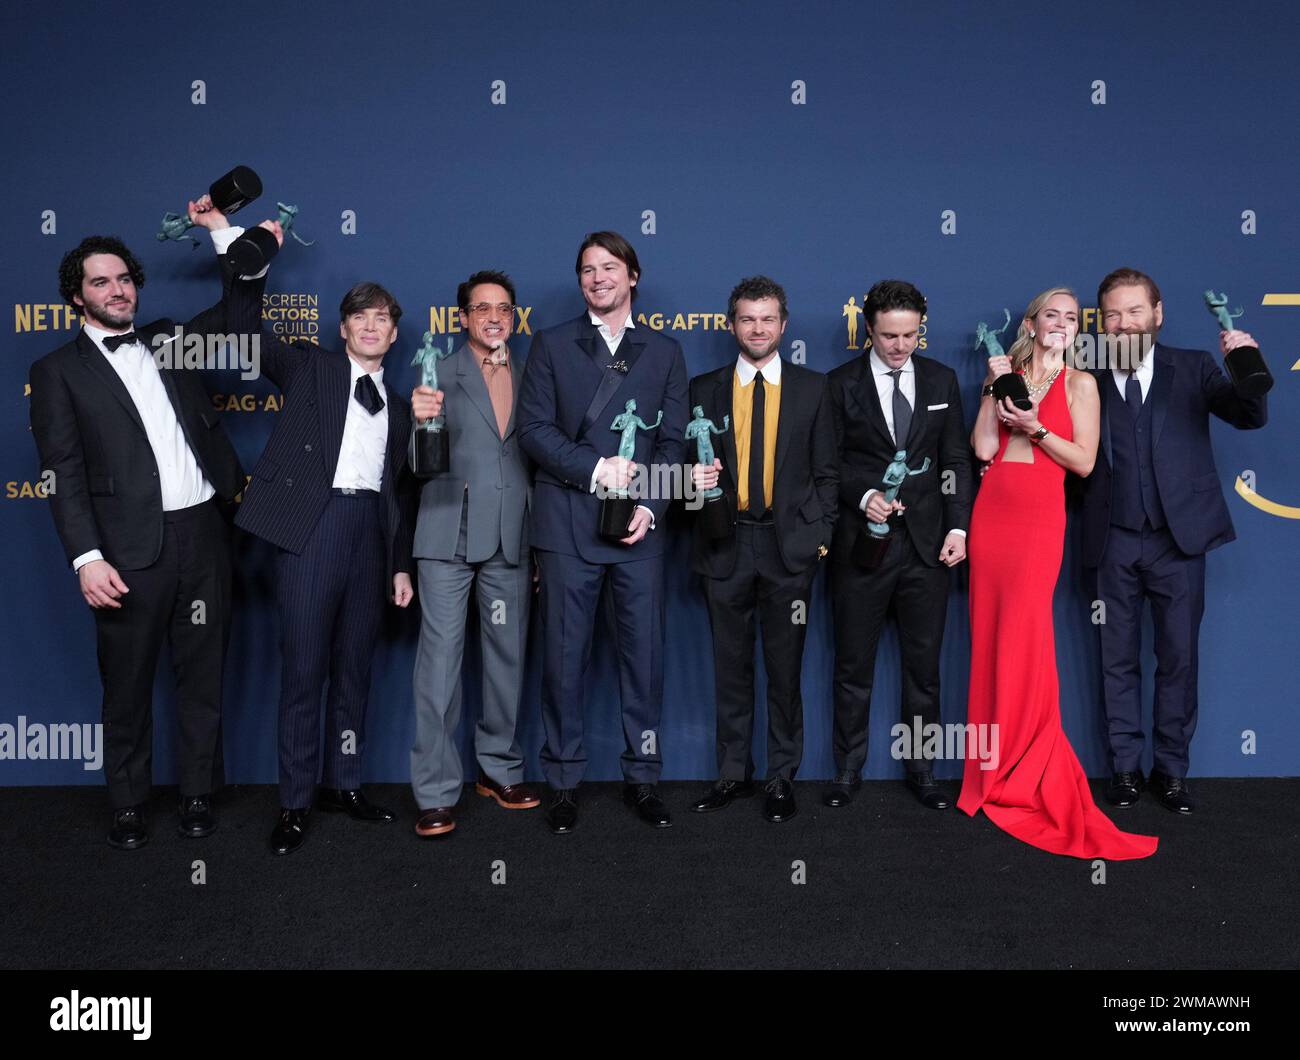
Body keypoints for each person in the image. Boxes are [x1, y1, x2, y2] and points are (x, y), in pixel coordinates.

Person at [29, 195, 279, 848]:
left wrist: (226, 234)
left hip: (203, 534)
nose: (118, 290)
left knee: (202, 675)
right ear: (77, 297)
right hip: (126, 549)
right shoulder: (57, 372)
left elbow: (234, 315)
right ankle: (129, 801)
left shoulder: (168, 338)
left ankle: (198, 793)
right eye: (100, 281)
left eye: (124, 278)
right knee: (128, 682)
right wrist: (87, 559)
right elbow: (63, 474)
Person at [957, 286, 1158, 859]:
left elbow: (1085, 461)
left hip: (1039, 520)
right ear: (1032, 321)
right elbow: (981, 449)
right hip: (992, 513)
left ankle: (1026, 767)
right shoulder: (1009, 372)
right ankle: (990, 771)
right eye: (1053, 314)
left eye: (1073, 318)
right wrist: (993, 392)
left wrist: (1036, 428)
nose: (1063, 324)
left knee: (1026, 640)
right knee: (989, 640)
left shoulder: (1081, 384)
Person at [516, 231, 688, 833]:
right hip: (566, 526)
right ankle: (562, 781)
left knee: (644, 663)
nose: (598, 278)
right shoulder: (552, 343)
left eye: (609, 267)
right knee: (563, 661)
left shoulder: (664, 352)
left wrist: (653, 507)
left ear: (632, 275)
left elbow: (674, 444)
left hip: (640, 532)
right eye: (587, 270)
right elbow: (534, 430)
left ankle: (643, 779)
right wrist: (594, 468)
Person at [236, 281, 416, 855]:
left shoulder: (406, 404)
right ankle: (294, 801)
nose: (370, 326)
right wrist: (230, 247)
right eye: (359, 317)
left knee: (354, 670)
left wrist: (399, 566)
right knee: (304, 672)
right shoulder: (310, 369)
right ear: (342, 328)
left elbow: (401, 493)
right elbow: (245, 333)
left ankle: (344, 783)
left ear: (393, 332)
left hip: (370, 536)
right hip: (311, 528)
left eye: (381, 318)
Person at [1083, 268, 1268, 814]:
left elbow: (1249, 417)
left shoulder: (1193, 366)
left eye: (1135, 311)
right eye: (1113, 314)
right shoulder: (1084, 374)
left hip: (1178, 541)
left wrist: (1247, 363)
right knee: (1114, 659)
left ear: (1157, 314)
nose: (1123, 323)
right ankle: (1123, 770)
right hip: (1111, 539)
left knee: (1178, 658)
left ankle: (1170, 771)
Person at [686, 277, 838, 822]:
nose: (757, 328)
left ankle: (780, 776)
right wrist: (689, 479)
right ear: (732, 326)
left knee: (784, 667)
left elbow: (827, 472)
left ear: (784, 325)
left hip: (788, 547)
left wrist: (819, 539)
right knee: (729, 668)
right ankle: (732, 774)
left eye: (767, 319)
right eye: (747, 319)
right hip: (725, 543)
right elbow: (685, 471)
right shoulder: (703, 388)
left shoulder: (813, 388)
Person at [824, 280, 972, 810]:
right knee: (852, 666)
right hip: (862, 547)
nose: (900, 346)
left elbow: (956, 461)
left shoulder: (942, 379)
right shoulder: (839, 384)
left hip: (928, 549)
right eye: (889, 335)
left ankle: (924, 771)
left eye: (910, 335)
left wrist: (958, 528)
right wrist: (864, 496)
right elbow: (826, 465)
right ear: (869, 329)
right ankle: (846, 771)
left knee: (924, 669)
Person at [407, 270, 539, 838]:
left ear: (513, 317)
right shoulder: (436, 372)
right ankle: (436, 793)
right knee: (439, 667)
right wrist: (418, 423)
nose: (493, 318)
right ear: (462, 317)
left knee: (507, 659)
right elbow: (417, 462)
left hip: (512, 535)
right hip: (447, 536)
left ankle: (498, 770)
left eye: (503, 309)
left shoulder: (536, 373)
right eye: (481, 308)